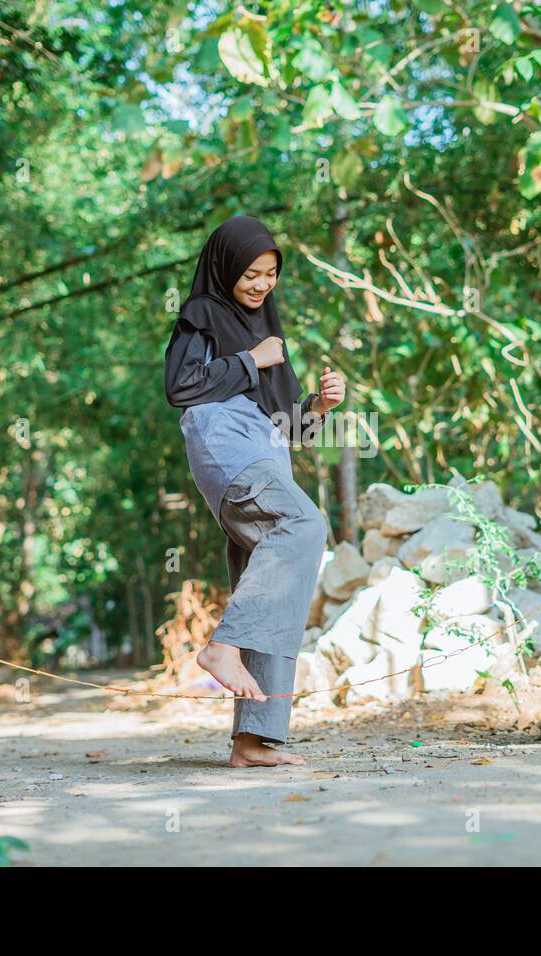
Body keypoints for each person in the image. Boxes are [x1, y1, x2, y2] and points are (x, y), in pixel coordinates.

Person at [164, 215, 346, 767]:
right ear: (225, 268)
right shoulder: (202, 313)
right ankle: (222, 647)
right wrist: (251, 359)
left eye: (270, 274)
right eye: (250, 273)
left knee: (275, 579)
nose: (262, 284)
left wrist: (320, 406)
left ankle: (252, 741)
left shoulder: (269, 329)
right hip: (225, 444)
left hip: (268, 453)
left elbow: (291, 426)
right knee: (304, 525)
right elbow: (181, 386)